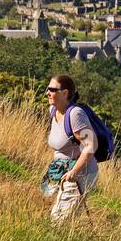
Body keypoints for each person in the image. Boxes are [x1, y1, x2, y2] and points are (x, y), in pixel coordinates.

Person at [45, 74, 98, 223]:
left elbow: (91, 145)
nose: (47, 93)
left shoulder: (76, 115)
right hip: (64, 173)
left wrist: (75, 171)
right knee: (57, 218)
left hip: (80, 175)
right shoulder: (53, 111)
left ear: (65, 93)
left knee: (60, 222)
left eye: (52, 89)